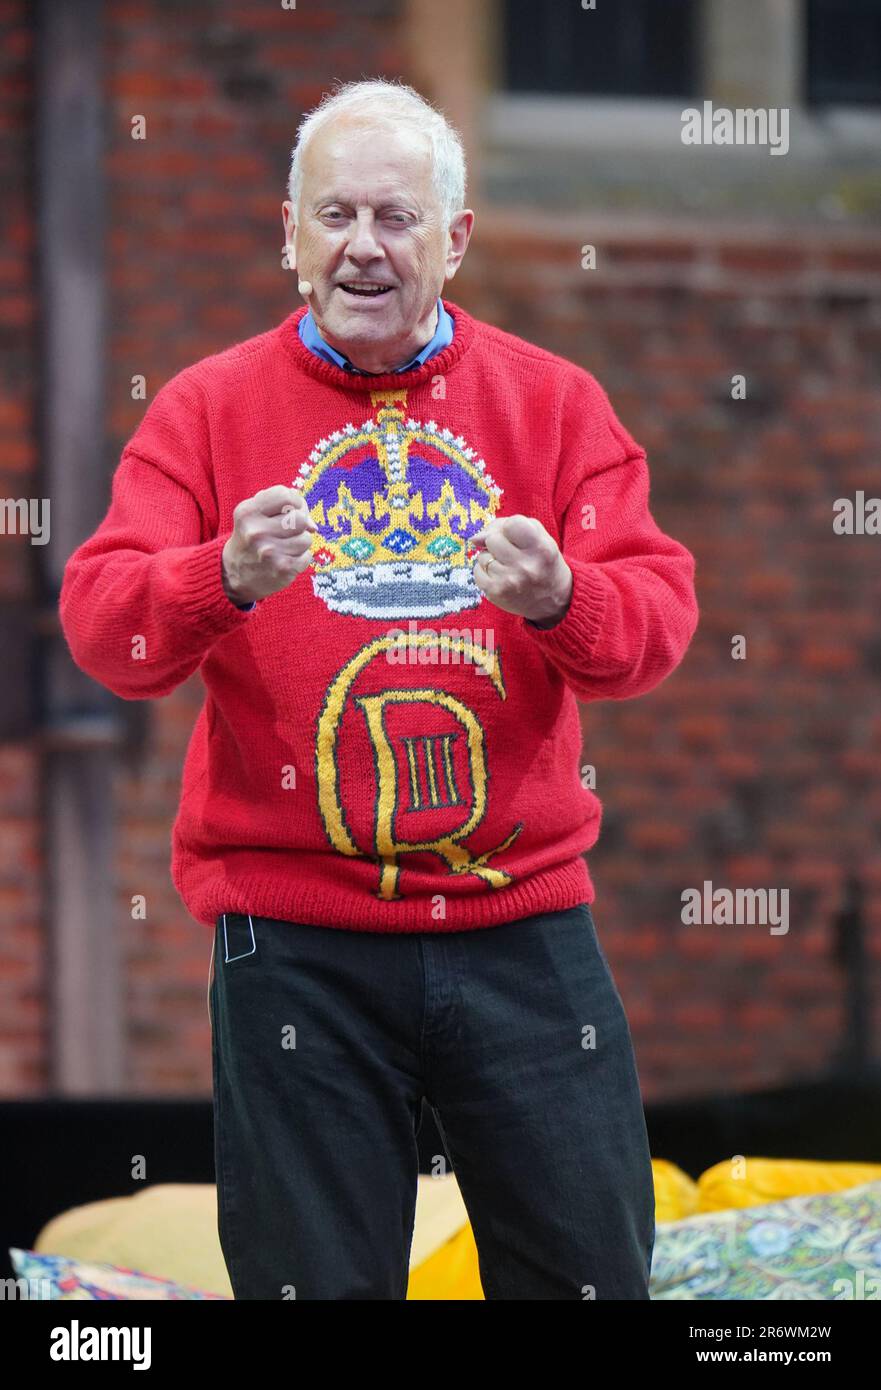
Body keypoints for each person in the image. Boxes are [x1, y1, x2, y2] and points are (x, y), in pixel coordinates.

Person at [59, 78, 699, 1300]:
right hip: (295, 940)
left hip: (521, 926)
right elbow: (105, 634)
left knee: (588, 1275)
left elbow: (654, 630)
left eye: (396, 218)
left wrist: (565, 599)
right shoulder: (202, 411)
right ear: (287, 234)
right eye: (334, 214)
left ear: (452, 240)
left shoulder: (556, 405)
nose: (363, 246)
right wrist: (217, 577)